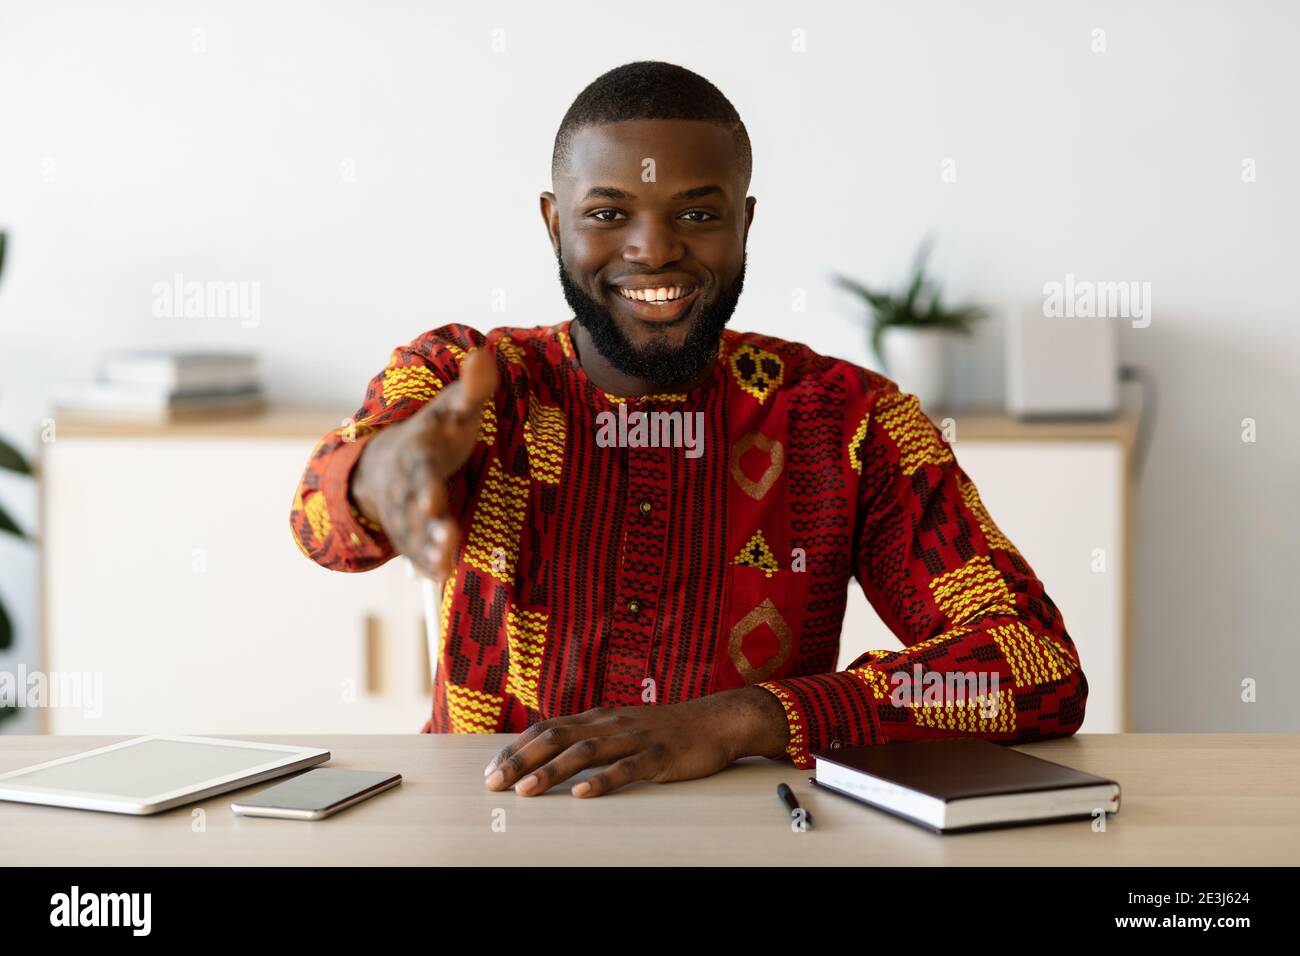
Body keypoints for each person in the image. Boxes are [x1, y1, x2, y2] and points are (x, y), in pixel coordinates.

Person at [290, 61, 1087, 799]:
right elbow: (319, 525)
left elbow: (1035, 667)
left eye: (697, 213)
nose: (654, 250)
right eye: (607, 213)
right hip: (493, 821)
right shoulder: (471, 380)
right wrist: (379, 475)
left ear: (744, 222)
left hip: (751, 828)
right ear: (553, 221)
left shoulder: (849, 417)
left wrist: (747, 718)